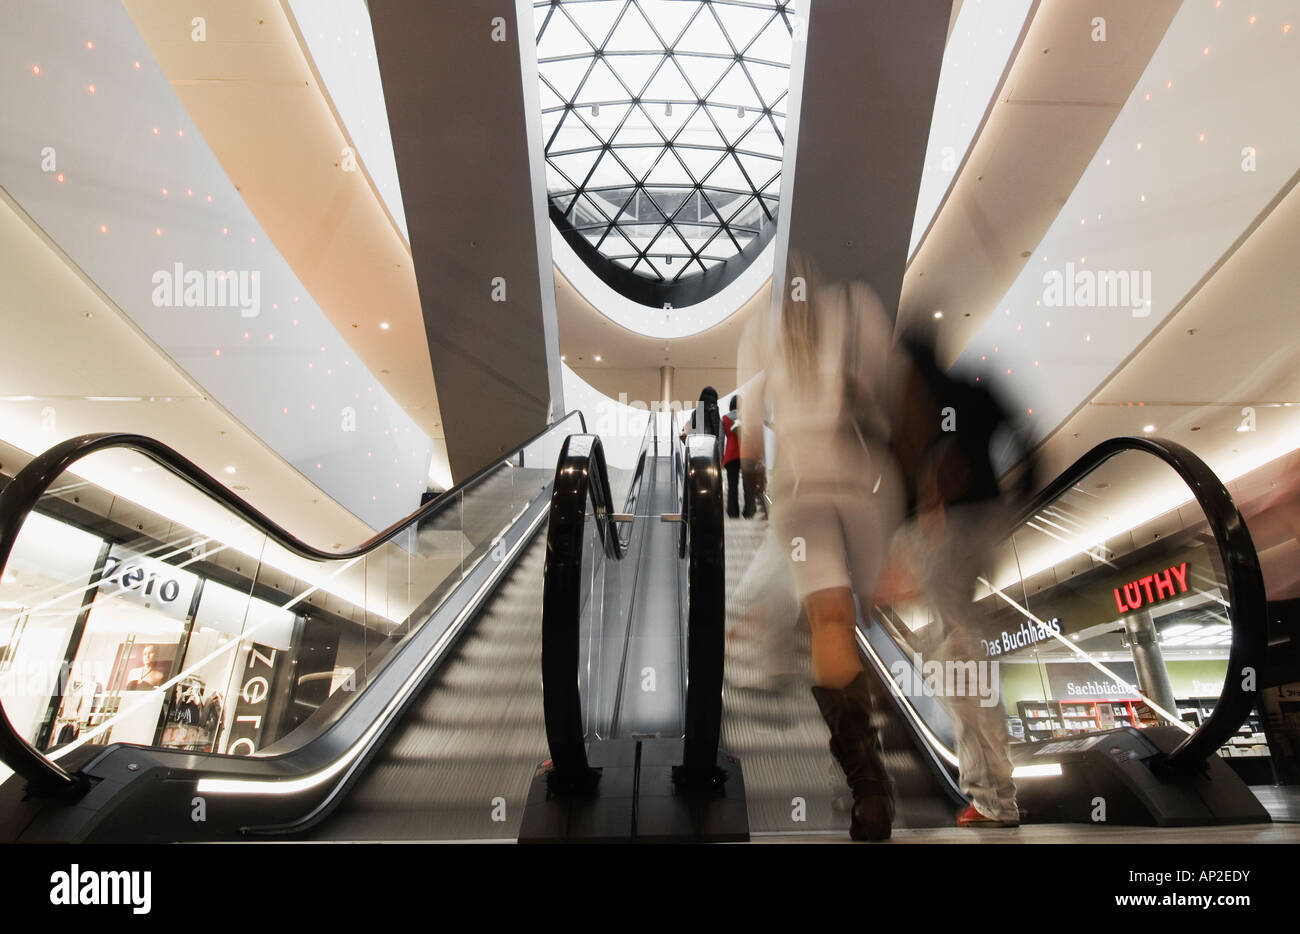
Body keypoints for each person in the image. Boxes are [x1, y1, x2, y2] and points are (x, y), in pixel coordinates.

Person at [736, 253, 908, 841]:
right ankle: (883, 697)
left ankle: (870, 790)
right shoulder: (857, 305)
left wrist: (752, 472)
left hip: (802, 490)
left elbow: (750, 418)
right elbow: (888, 389)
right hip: (863, 486)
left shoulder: (761, 328)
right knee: (865, 612)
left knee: (830, 621)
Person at [886, 328, 1038, 828]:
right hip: (981, 528)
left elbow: (906, 484)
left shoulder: (917, 405)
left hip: (948, 533)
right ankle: (993, 796)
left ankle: (995, 795)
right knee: (955, 653)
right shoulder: (976, 387)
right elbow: (1026, 439)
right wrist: (1011, 506)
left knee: (956, 662)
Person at [721, 396, 754, 519]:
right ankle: (749, 512)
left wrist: (720, 458)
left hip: (731, 454)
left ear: (731, 405)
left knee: (732, 485)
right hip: (748, 453)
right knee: (748, 485)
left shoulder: (724, 418)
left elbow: (720, 440)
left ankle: (733, 512)